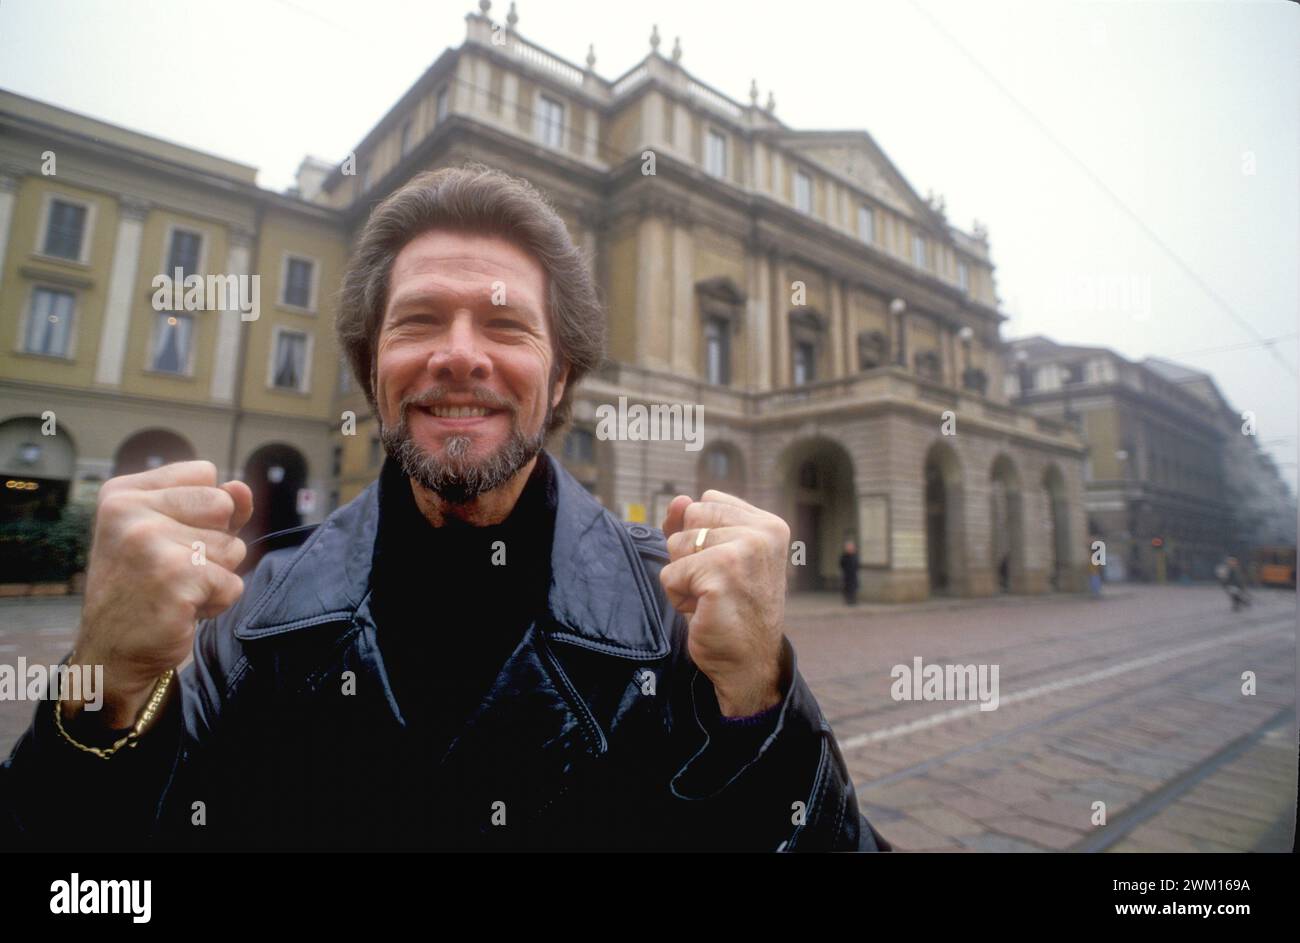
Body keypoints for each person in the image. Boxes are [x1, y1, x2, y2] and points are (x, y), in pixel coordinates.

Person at [0, 165, 888, 853]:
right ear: (371, 370)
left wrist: (766, 699)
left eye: (505, 326)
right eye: (419, 320)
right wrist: (101, 688)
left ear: (563, 375)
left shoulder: (685, 619)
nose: (460, 355)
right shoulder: (252, 614)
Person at [839, 539, 860, 606]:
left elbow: (857, 565)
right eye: (848, 547)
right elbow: (841, 564)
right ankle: (848, 600)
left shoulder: (855, 556)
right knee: (846, 588)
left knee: (853, 588)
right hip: (847, 575)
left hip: (853, 575)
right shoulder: (844, 556)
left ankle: (853, 600)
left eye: (851, 547)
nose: (850, 548)